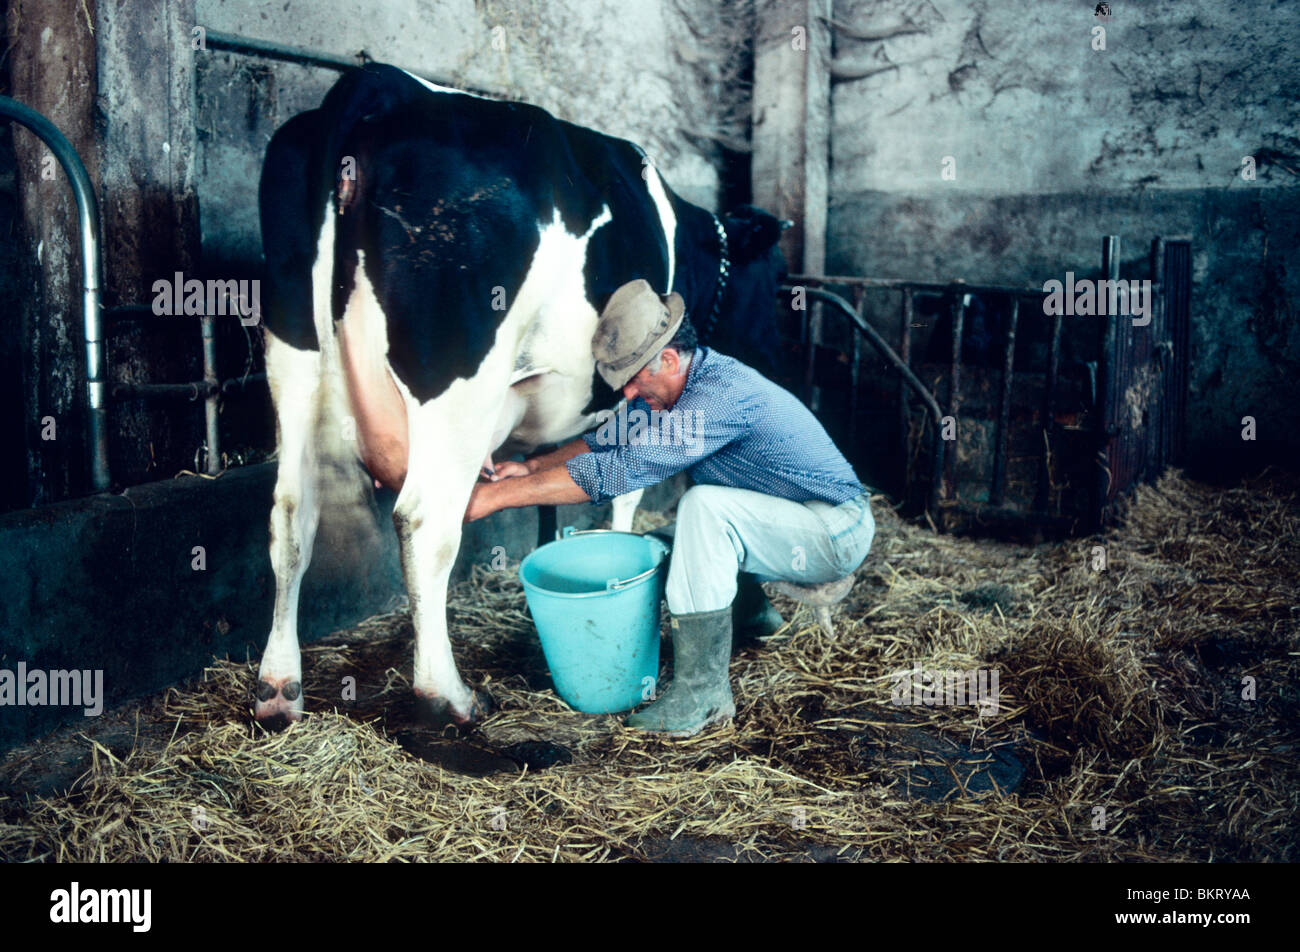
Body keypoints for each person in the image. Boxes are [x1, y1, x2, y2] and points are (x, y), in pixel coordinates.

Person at [464, 279, 875, 737]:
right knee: (660, 547)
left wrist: (493, 499)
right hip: (788, 520)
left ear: (669, 358)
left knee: (705, 509)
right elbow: (608, 439)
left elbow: (617, 471)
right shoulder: (677, 388)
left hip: (834, 528)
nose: (628, 395)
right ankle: (752, 613)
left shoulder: (718, 397)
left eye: (635, 379)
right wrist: (533, 465)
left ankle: (704, 695)